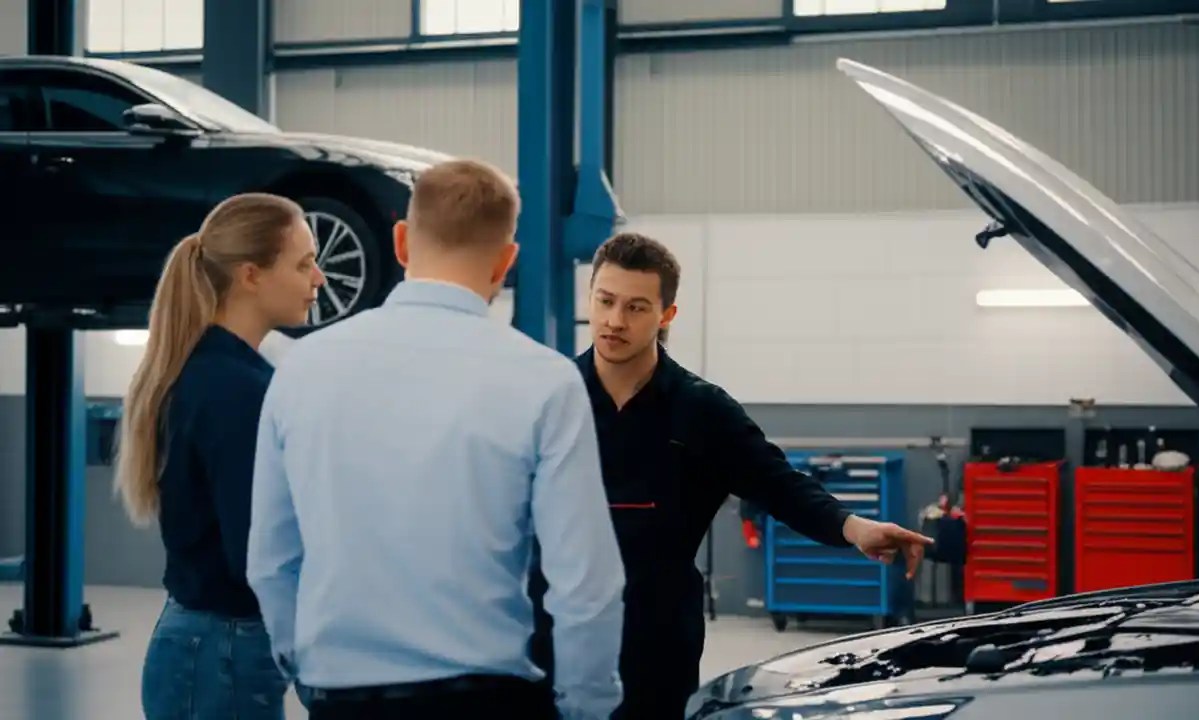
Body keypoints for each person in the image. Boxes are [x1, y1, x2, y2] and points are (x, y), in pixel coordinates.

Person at [245, 158, 627, 720]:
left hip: (342, 697)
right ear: (507, 261)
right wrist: (586, 706)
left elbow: (272, 560)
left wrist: (303, 663)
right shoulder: (543, 380)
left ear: (401, 241)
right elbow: (585, 584)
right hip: (485, 701)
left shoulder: (301, 367)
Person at [533, 232, 936, 720]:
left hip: (657, 643)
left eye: (637, 307)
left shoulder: (700, 410)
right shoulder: (549, 400)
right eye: (606, 301)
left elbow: (777, 483)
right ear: (590, 296)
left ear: (667, 315)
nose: (615, 321)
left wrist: (855, 527)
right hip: (555, 637)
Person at [113, 192, 326, 720]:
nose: (318, 278)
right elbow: (255, 549)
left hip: (212, 649)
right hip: (220, 653)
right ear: (251, 275)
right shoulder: (235, 389)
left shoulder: (222, 372)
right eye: (303, 264)